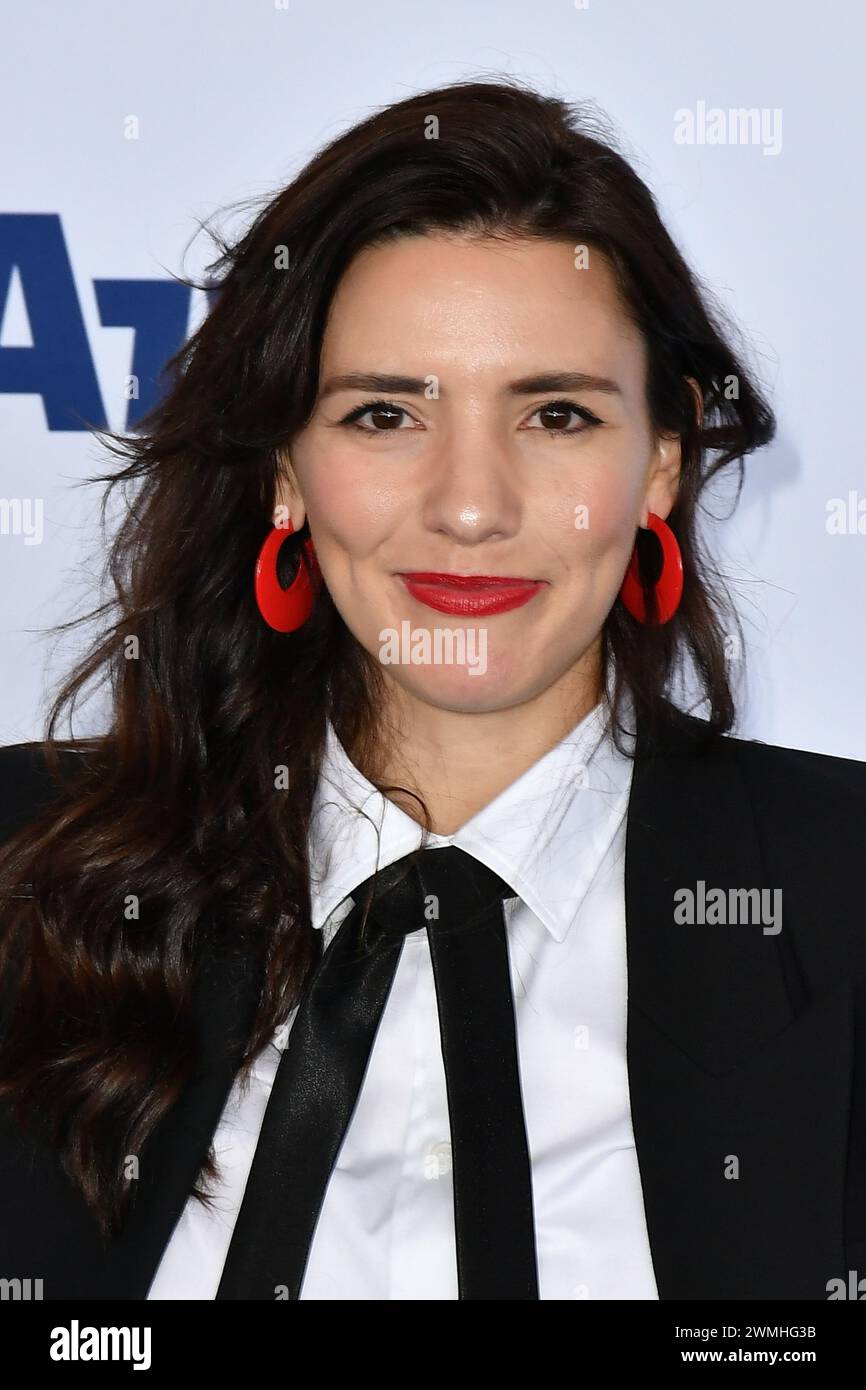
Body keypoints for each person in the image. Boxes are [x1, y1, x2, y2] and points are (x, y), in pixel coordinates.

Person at [1, 77, 864, 1302]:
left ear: (659, 461)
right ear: (283, 467)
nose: (470, 505)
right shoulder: (28, 871)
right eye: (385, 413)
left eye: (555, 413)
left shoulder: (839, 896)